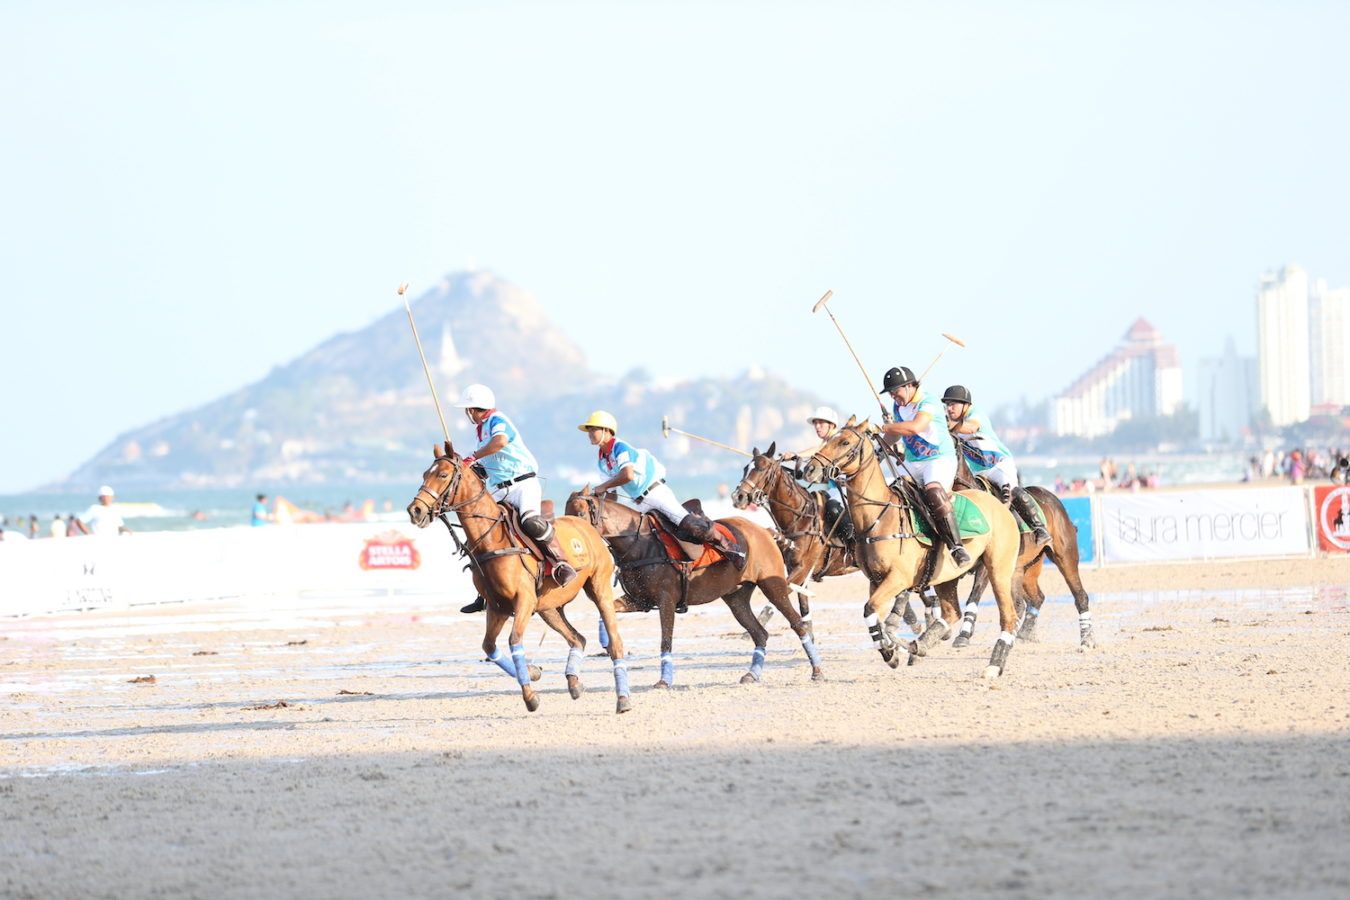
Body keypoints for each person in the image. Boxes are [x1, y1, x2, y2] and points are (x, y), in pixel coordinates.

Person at [456, 384, 577, 616]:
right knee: (482, 529)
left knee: (530, 521)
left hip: (522, 484)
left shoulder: (497, 420)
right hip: (499, 488)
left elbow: (500, 442)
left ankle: (561, 563)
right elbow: (490, 464)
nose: (467, 413)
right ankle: (484, 592)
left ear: (473, 409)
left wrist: (473, 456)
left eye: (467, 409)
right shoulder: (481, 431)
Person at [579, 410, 744, 570]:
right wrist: (600, 503)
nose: (590, 434)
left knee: (686, 523)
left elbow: (627, 475)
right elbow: (612, 496)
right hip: (640, 503)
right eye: (589, 430)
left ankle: (729, 547)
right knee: (635, 539)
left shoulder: (620, 447)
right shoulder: (602, 461)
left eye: (593, 429)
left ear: (606, 430)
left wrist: (603, 487)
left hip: (656, 494)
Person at [876, 366, 970, 566]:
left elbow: (915, 427)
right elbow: (895, 435)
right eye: (890, 393)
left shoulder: (929, 402)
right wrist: (879, 450)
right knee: (890, 493)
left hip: (939, 459)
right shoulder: (898, 407)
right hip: (912, 462)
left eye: (895, 391)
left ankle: (956, 547)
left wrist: (884, 426)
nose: (893, 396)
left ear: (909, 386)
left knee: (933, 491)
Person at [942, 385, 1050, 544]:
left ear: (965, 405)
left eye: (953, 404)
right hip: (977, 472)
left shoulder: (975, 414)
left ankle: (1039, 528)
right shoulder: (950, 423)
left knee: (1011, 491)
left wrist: (948, 426)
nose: (949, 408)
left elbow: (971, 427)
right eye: (947, 405)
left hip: (999, 465)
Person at [783, 406, 854, 543]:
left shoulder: (837, 439)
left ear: (831, 425)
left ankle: (852, 543)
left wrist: (796, 454)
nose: (817, 427)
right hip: (834, 489)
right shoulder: (826, 442)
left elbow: (818, 450)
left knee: (832, 508)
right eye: (815, 423)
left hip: (848, 489)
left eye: (821, 423)